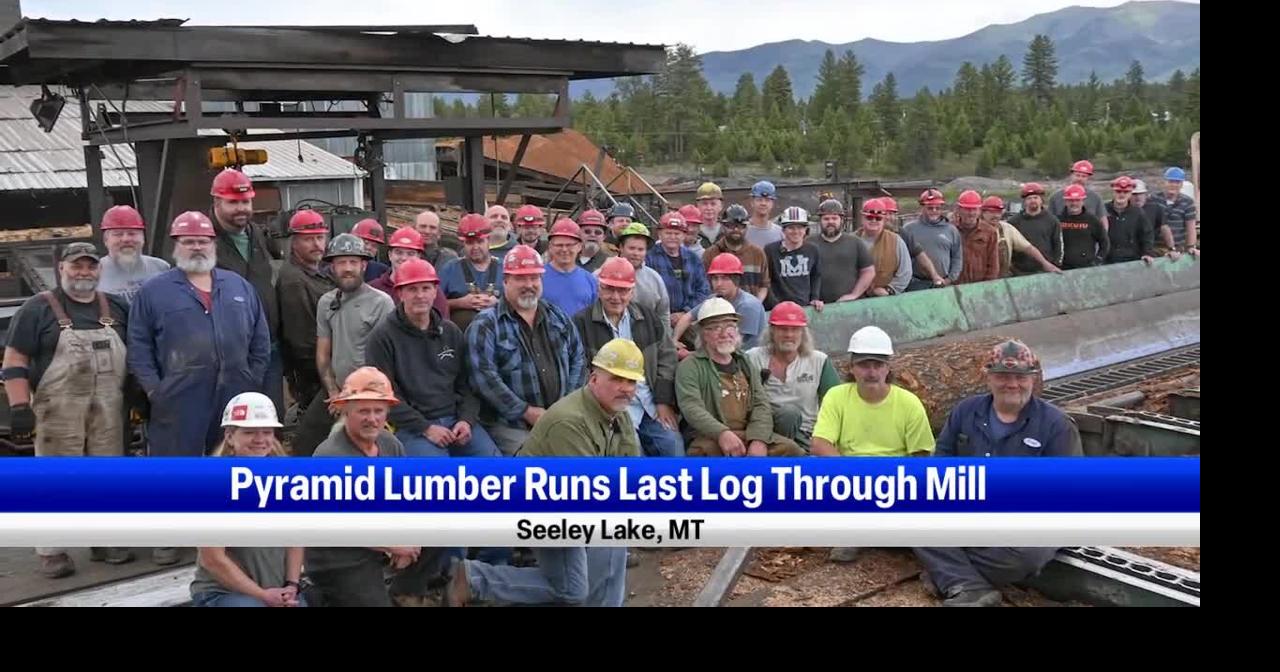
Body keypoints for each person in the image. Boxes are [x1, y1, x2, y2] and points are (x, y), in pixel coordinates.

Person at [443, 339, 643, 608]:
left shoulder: (619, 415)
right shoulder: (570, 421)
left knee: (571, 591)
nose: (625, 388)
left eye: (631, 382)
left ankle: (472, 578)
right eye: (617, 378)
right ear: (594, 378)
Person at [915, 339, 1082, 607]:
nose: (1012, 384)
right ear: (989, 378)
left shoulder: (1056, 424)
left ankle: (950, 576)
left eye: (1020, 377)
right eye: (1003, 376)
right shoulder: (966, 411)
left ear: (1033, 379)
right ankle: (971, 586)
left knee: (1027, 555)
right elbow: (942, 462)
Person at [3, 242, 133, 577]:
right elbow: (15, 360)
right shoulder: (38, 309)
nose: (84, 273)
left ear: (99, 270)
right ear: (61, 268)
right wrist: (19, 405)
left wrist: (139, 396)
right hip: (58, 409)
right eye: (76, 266)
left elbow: (135, 356)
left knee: (107, 476)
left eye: (90, 266)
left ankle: (105, 539)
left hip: (108, 406)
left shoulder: (116, 308)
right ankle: (52, 550)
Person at [128, 212, 269, 457]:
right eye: (188, 241)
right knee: (178, 475)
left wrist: (251, 379)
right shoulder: (153, 292)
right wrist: (155, 390)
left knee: (230, 466)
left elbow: (260, 339)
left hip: (233, 395)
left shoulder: (238, 286)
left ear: (213, 244)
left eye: (203, 241)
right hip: (178, 400)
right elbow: (139, 347)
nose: (197, 247)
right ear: (176, 246)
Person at [307, 367, 439, 607]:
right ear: (345, 411)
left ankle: (405, 591)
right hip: (340, 556)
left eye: (379, 411)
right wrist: (394, 545)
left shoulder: (390, 443)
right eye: (363, 411)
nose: (372, 418)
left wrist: (412, 538)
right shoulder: (330, 457)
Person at [366, 259, 499, 457]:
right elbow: (385, 396)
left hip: (456, 421)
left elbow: (468, 383)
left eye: (426, 288)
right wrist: (426, 428)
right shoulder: (382, 337)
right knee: (436, 479)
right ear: (400, 293)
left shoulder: (451, 332)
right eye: (412, 289)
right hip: (412, 427)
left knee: (495, 466)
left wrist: (466, 420)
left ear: (435, 291)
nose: (420, 295)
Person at [468, 245, 586, 455]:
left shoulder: (556, 316)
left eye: (534, 278)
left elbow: (578, 357)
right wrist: (526, 412)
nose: (529, 284)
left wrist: (565, 406)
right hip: (511, 426)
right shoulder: (486, 324)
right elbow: (484, 378)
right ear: (505, 281)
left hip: (560, 418)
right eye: (521, 278)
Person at [190, 392, 305, 607]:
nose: (260, 439)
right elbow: (212, 559)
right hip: (223, 594)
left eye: (266, 432)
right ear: (230, 436)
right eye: (250, 432)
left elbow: (296, 539)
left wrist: (292, 585)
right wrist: (263, 596)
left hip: (277, 591)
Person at [291, 234, 395, 457]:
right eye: (341, 262)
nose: (347, 268)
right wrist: (333, 391)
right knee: (303, 442)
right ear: (332, 267)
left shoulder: (381, 303)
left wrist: (353, 397)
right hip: (335, 391)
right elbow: (323, 353)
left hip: (370, 392)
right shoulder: (327, 303)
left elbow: (384, 359)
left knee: (352, 445)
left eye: (353, 262)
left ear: (364, 265)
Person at [574, 257, 683, 457]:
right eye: (609, 289)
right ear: (599, 288)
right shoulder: (582, 323)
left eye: (623, 290)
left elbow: (667, 358)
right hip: (609, 408)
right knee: (632, 456)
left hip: (649, 403)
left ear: (632, 291)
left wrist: (663, 401)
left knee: (673, 447)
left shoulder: (648, 318)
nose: (616, 296)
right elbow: (580, 371)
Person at [675, 298, 803, 457]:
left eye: (730, 326)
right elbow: (692, 408)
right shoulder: (690, 366)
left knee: (793, 451)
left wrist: (759, 440)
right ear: (703, 334)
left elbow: (761, 403)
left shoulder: (745, 362)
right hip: (709, 437)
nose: (724, 334)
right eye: (715, 328)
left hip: (748, 433)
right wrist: (722, 433)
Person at [208, 168, 284, 414]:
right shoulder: (203, 241)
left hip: (268, 348)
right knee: (233, 421)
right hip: (227, 356)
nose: (241, 208)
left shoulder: (258, 235)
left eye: (245, 201)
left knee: (271, 419)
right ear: (217, 202)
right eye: (233, 202)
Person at [811, 326, 934, 458]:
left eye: (878, 365)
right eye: (864, 365)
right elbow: (820, 444)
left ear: (888, 368)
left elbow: (921, 454)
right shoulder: (836, 396)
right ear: (851, 368)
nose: (872, 373)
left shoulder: (909, 403)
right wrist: (849, 473)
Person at [744, 302, 840, 449]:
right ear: (772, 332)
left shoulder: (818, 361)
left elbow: (836, 403)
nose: (789, 335)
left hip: (806, 432)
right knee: (788, 414)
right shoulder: (753, 358)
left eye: (795, 330)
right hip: (764, 431)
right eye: (783, 329)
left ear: (803, 333)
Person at [274, 210, 334, 416]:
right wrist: (324, 377)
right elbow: (301, 340)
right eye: (309, 239)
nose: (317, 244)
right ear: (294, 243)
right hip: (312, 377)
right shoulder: (294, 280)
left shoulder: (318, 273)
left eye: (320, 237)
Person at [674, 253, 768, 352]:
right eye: (715, 278)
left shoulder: (748, 305)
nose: (718, 284)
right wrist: (674, 340)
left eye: (724, 278)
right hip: (722, 351)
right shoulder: (715, 299)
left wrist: (692, 356)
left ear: (736, 280)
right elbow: (688, 317)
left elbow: (734, 345)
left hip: (745, 357)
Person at [602, 223, 671, 334]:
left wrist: (666, 342)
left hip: (647, 338)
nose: (636, 253)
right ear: (620, 247)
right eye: (632, 248)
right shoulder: (602, 273)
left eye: (640, 249)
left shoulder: (655, 279)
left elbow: (663, 314)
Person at [439, 214, 503, 333]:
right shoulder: (450, 268)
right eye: (469, 243)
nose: (475, 247)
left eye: (479, 241)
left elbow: (519, 303)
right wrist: (460, 303)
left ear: (489, 240)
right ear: (463, 244)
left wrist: (498, 302)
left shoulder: (504, 268)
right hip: (461, 337)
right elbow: (435, 303)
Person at [647, 211, 711, 329]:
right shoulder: (649, 258)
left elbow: (703, 290)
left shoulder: (694, 259)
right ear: (659, 234)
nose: (673, 237)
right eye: (668, 233)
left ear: (683, 235)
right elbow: (647, 292)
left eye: (677, 233)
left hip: (690, 319)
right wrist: (666, 315)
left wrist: (685, 313)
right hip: (657, 321)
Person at [96, 205, 170, 303]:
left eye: (132, 233)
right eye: (118, 234)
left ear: (143, 238)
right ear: (106, 240)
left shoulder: (161, 267)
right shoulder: (95, 272)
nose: (126, 239)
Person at [703, 204, 770, 302]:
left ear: (747, 227)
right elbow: (705, 286)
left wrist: (756, 304)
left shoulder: (758, 254)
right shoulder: (710, 254)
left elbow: (764, 285)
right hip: (720, 310)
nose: (736, 230)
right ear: (722, 226)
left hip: (749, 309)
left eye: (741, 226)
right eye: (731, 226)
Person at [981, 196, 1061, 277]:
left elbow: (1028, 248)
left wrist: (1045, 264)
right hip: (980, 278)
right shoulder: (975, 230)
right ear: (983, 212)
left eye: (998, 212)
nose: (996, 215)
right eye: (991, 212)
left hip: (1001, 277)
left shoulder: (1007, 229)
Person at [813, 199, 875, 303]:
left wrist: (854, 294)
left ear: (841, 220)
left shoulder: (855, 242)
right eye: (826, 218)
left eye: (834, 218)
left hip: (850, 306)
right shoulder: (809, 243)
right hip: (817, 306)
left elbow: (869, 271)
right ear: (820, 220)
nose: (830, 222)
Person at [902, 189, 963, 290]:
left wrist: (950, 279)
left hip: (943, 284)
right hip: (916, 284)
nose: (934, 211)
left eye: (937, 208)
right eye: (930, 208)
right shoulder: (909, 229)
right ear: (922, 208)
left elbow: (957, 258)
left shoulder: (951, 230)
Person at [765, 206, 824, 309]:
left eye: (800, 227)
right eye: (791, 227)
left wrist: (815, 298)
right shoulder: (770, 250)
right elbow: (766, 281)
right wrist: (775, 304)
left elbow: (816, 276)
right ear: (783, 230)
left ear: (806, 229)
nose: (796, 231)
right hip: (778, 307)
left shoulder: (813, 250)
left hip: (805, 306)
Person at [540, 218, 599, 319]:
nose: (564, 249)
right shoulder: (538, 278)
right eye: (559, 245)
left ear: (580, 247)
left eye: (569, 245)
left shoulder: (590, 280)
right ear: (550, 247)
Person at [853, 199, 913, 296]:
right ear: (862, 218)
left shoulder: (896, 241)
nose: (873, 221)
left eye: (878, 218)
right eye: (869, 217)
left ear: (884, 219)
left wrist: (890, 289)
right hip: (855, 298)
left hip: (885, 299)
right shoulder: (850, 241)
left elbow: (905, 272)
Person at [1008, 183, 1065, 275]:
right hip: (1020, 271)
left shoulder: (1052, 220)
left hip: (1045, 271)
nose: (1033, 201)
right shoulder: (1013, 222)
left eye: (1035, 198)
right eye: (1029, 198)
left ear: (1041, 200)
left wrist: (1056, 264)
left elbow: (1058, 244)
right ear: (1024, 201)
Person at [1104, 176, 1155, 265]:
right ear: (1113, 192)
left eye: (1126, 192)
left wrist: (1147, 253)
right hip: (1107, 259)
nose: (1122, 195)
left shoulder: (1138, 212)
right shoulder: (1103, 209)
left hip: (1132, 259)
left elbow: (1147, 234)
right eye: (1118, 191)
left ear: (1130, 193)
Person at [1058, 184, 1110, 269]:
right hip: (1062, 268)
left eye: (1077, 200)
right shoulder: (1057, 220)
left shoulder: (1092, 220)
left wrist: (1098, 259)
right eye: (1071, 200)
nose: (1074, 203)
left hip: (1086, 267)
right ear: (1065, 201)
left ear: (1083, 201)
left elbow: (1104, 242)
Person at [1048, 159, 1110, 231]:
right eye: (1077, 175)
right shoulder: (1056, 197)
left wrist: (1103, 239)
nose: (1080, 179)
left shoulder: (1095, 198)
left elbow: (1103, 221)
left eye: (1083, 176)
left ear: (1088, 178)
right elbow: (1049, 221)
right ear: (1071, 175)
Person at [954, 190, 1000, 284]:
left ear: (979, 211)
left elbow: (993, 264)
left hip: (979, 285)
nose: (971, 213)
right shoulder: (949, 230)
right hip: (954, 285)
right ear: (959, 209)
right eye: (967, 209)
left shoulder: (989, 232)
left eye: (974, 209)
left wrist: (988, 285)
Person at [1159, 167, 1199, 254]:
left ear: (1181, 184)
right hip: (1157, 248)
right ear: (1164, 182)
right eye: (1170, 181)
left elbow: (1191, 227)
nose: (1173, 185)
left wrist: (1191, 246)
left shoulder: (1187, 202)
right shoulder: (1154, 199)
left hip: (1178, 248)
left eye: (1177, 182)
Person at [745, 180, 783, 249]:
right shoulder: (743, 231)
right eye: (759, 200)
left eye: (767, 200)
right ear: (752, 202)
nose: (763, 203)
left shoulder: (780, 233)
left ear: (772, 204)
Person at [694, 182, 724, 248]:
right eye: (704, 204)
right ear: (697, 206)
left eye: (713, 204)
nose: (709, 208)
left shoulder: (727, 230)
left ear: (721, 206)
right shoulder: (692, 231)